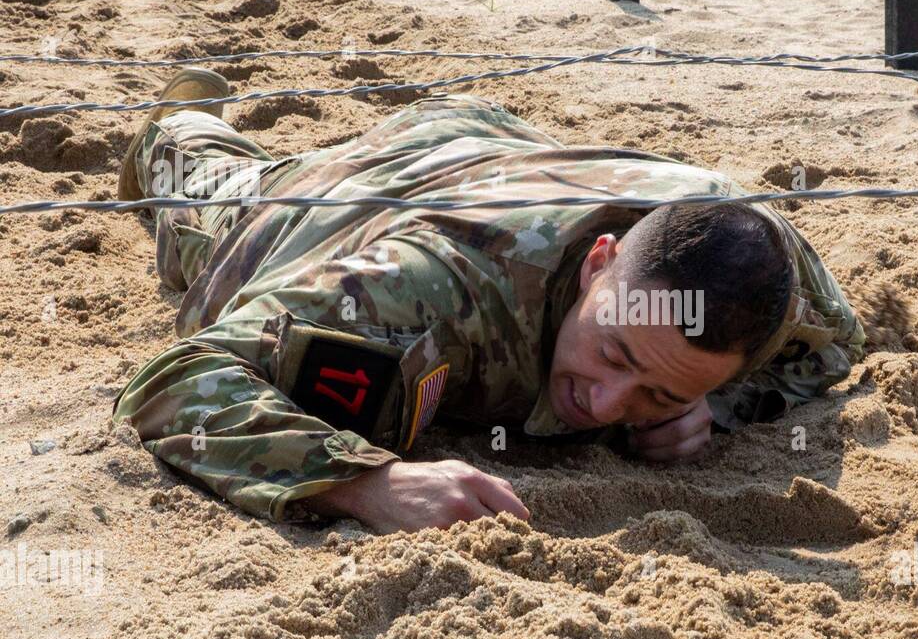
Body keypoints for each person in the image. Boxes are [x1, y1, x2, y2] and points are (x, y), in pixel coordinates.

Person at [112, 68, 870, 534]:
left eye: (659, 393)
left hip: (496, 150)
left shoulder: (765, 268)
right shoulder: (427, 287)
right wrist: (363, 483)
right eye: (613, 353)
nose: (606, 404)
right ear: (599, 265)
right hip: (334, 202)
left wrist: (718, 408)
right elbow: (178, 381)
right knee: (217, 193)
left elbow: (836, 349)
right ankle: (181, 125)